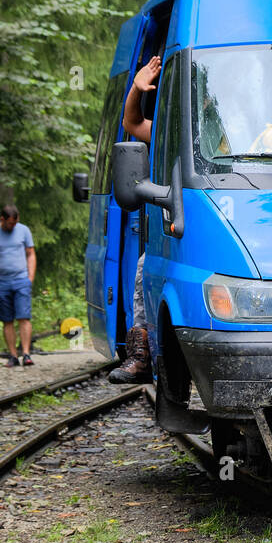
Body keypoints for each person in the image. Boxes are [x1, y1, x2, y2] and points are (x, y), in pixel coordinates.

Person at [111, 56, 163, 384]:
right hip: (174, 223)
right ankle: (140, 357)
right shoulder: (171, 133)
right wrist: (136, 88)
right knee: (145, 267)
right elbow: (132, 124)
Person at [0, 205, 37, 367]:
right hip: (1, 283)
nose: (13, 226)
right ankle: (13, 355)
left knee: (24, 317)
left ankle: (26, 353)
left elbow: (31, 253)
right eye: (10, 224)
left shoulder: (24, 230)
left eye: (15, 223)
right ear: (2, 220)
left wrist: (30, 278)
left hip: (21, 281)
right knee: (7, 320)